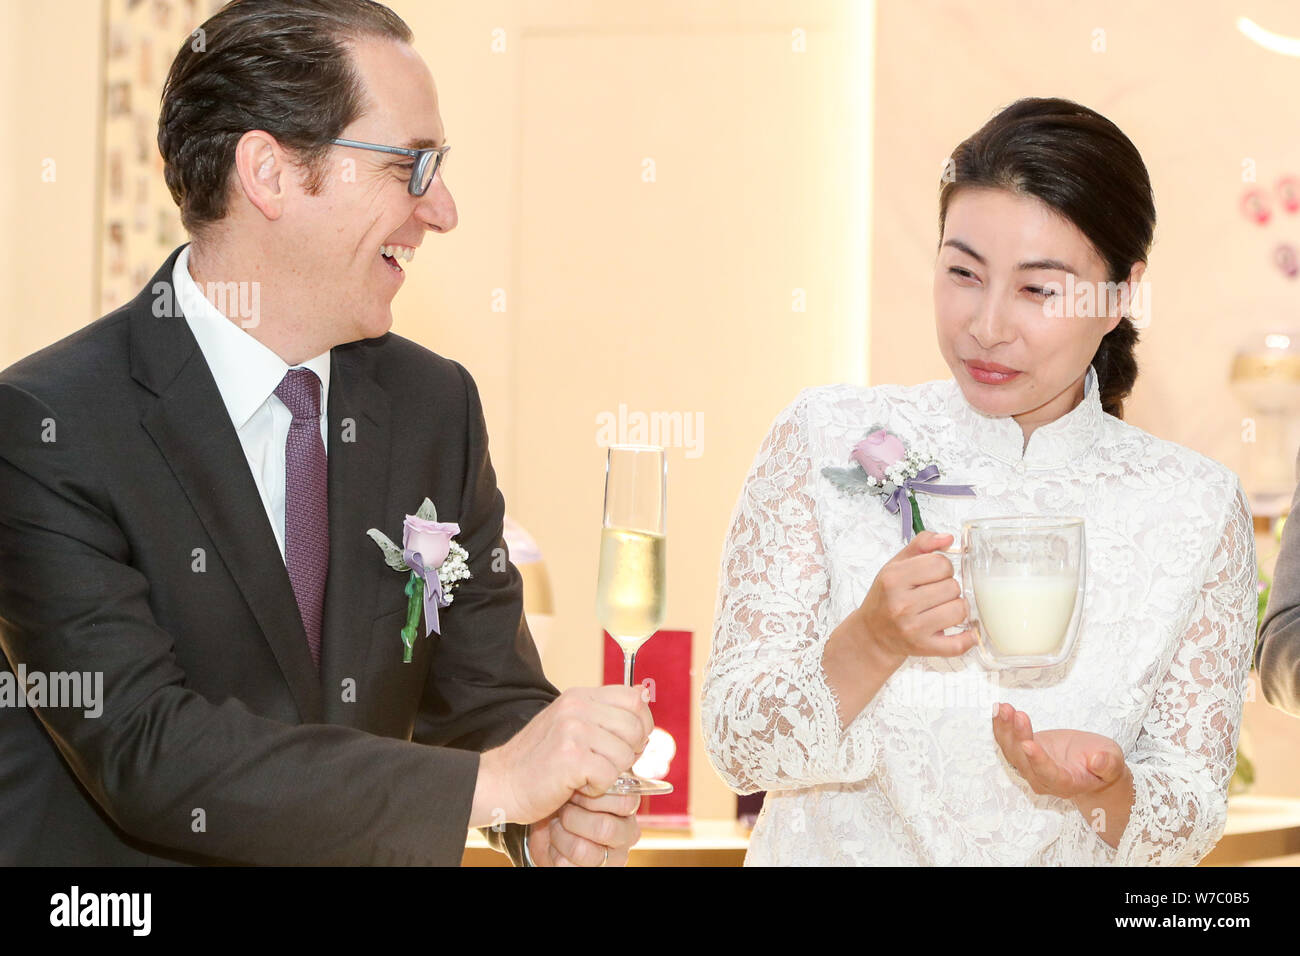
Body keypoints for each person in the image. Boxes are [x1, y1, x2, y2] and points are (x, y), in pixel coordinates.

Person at [0, 0, 649, 867]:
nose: (443, 209)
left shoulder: (434, 407)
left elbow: (486, 700)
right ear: (269, 173)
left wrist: (542, 816)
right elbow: (148, 749)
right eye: (410, 166)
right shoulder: (49, 425)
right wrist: (488, 790)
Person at [701, 97, 1257, 866]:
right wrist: (870, 641)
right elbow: (738, 750)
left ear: (1121, 295)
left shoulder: (1194, 506)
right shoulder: (828, 437)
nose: (987, 324)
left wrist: (1103, 788)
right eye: (964, 272)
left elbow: (1191, 811)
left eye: (1038, 290)